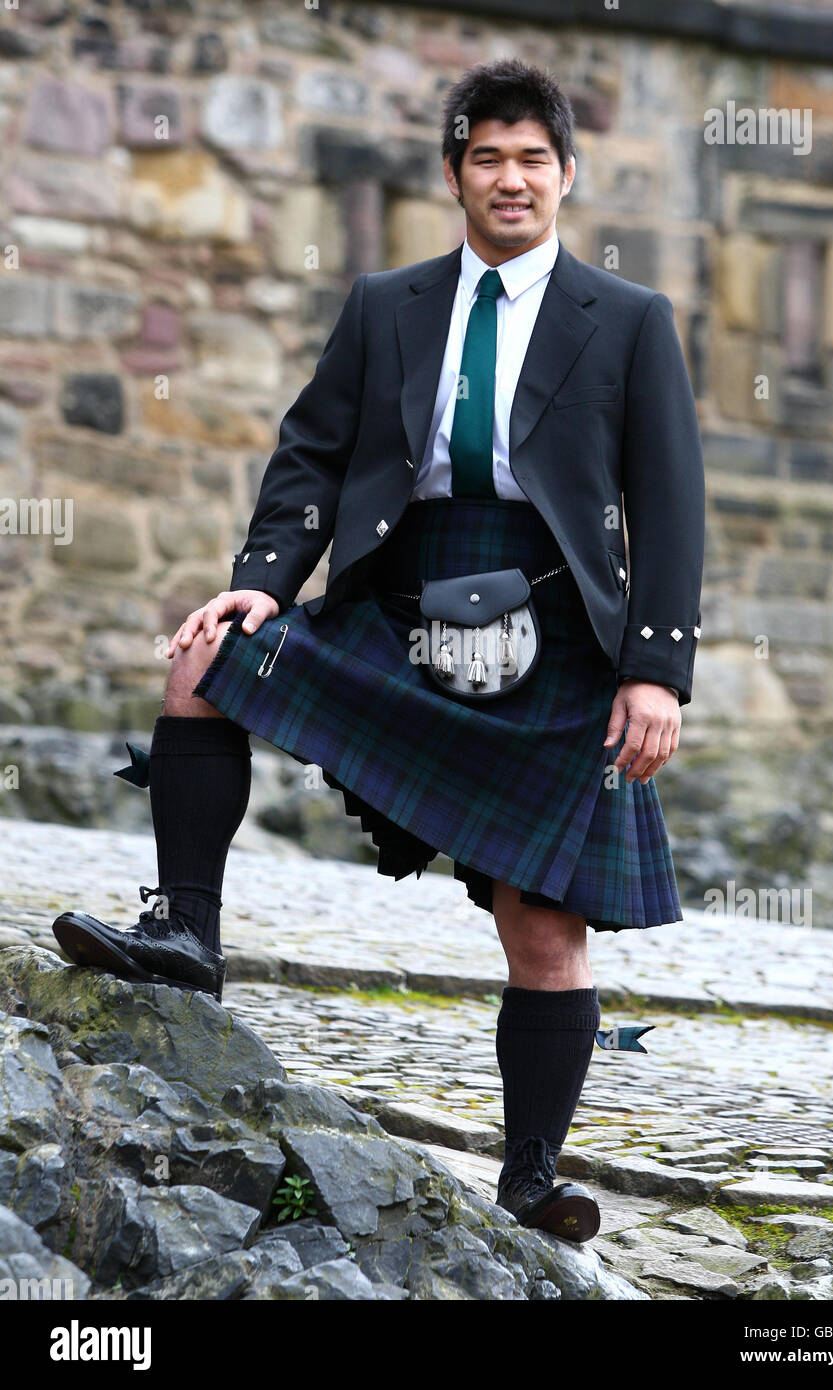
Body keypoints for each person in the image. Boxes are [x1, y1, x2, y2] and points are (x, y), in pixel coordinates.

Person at [53, 58, 705, 1244]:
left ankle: (529, 1176)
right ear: (454, 173)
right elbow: (311, 454)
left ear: (568, 175)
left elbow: (669, 501)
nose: (512, 179)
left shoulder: (629, 321)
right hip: (394, 589)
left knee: (541, 918)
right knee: (201, 662)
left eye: (533, 159)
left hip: (555, 619)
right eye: (488, 157)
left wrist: (655, 667)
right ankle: (186, 932)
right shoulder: (386, 303)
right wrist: (258, 588)